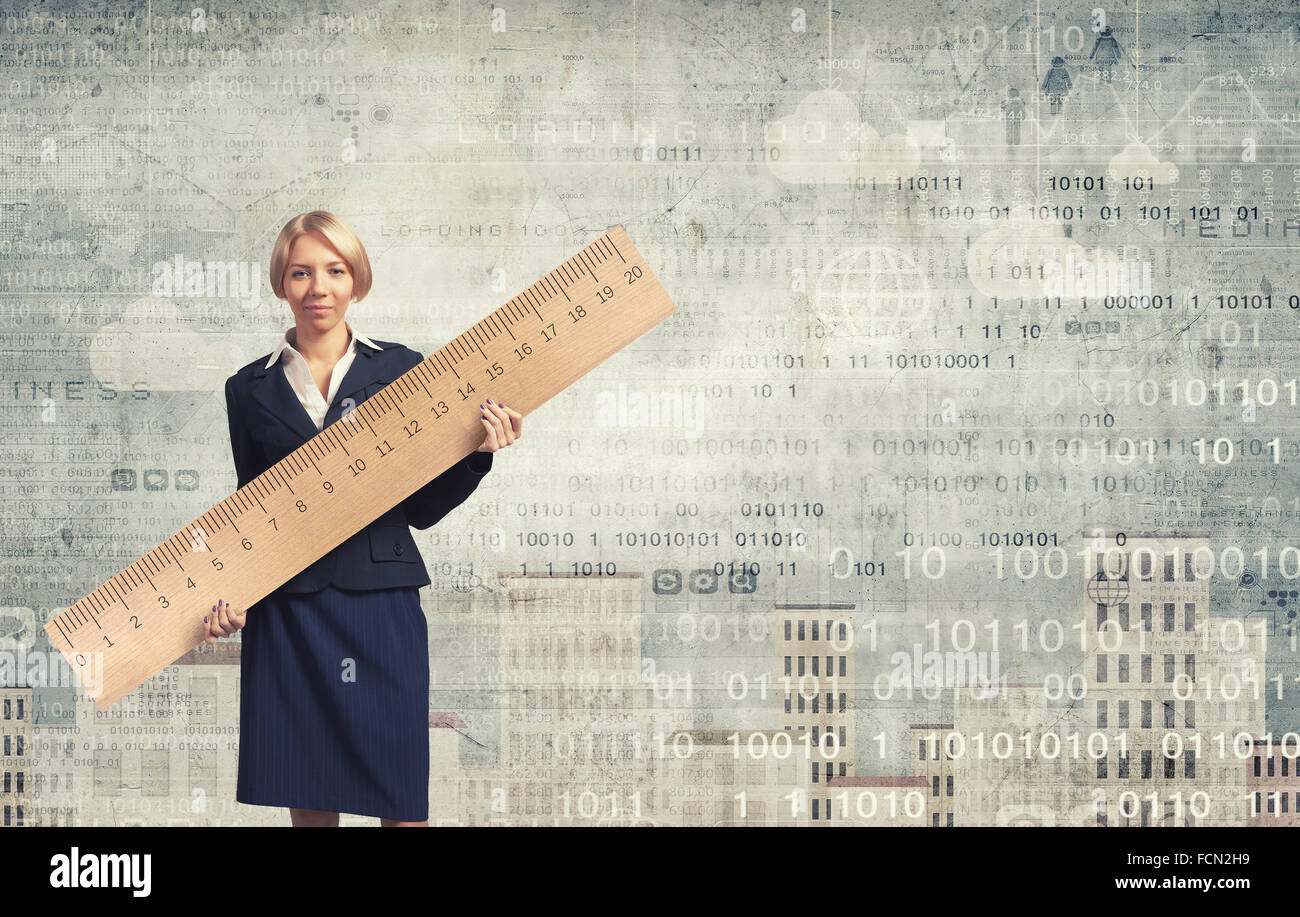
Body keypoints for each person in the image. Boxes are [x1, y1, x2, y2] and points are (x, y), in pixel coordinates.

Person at [213, 210, 522, 826]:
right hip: (290, 609)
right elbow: (252, 512)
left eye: (334, 270)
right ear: (281, 282)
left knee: (399, 788)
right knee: (311, 783)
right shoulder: (248, 389)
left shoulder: (406, 372)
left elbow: (423, 508)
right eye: (301, 272)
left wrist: (478, 456)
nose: (317, 287)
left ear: (356, 280)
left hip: (381, 600)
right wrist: (235, 595)